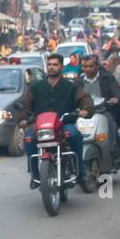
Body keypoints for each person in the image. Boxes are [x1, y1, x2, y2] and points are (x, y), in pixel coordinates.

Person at [16, 53, 92, 181]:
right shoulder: (36, 86)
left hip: (63, 124)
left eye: (55, 65)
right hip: (41, 126)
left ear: (61, 67)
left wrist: (86, 110)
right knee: (29, 138)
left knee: (74, 135)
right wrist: (23, 119)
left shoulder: (71, 86)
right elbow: (25, 103)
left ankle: (81, 171)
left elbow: (85, 99)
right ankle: (34, 173)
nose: (52, 67)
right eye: (50, 65)